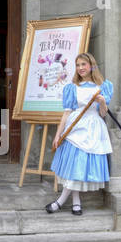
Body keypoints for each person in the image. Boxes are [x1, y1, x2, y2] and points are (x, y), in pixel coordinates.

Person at [44, 54, 114, 214]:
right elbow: (67, 113)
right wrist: (58, 135)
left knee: (78, 167)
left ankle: (60, 202)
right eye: (77, 65)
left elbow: (103, 114)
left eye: (84, 64)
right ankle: (75, 202)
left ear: (91, 65)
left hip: (92, 130)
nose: (80, 68)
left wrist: (102, 102)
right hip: (74, 129)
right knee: (73, 167)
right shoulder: (72, 87)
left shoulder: (103, 86)